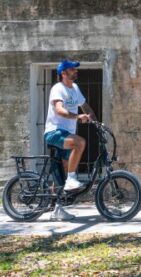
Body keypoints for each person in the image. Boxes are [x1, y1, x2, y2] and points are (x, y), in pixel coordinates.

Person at [43, 59, 97, 220]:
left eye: (75, 69)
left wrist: (95, 120)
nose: (76, 72)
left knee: (62, 172)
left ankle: (57, 208)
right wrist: (77, 116)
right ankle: (72, 179)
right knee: (80, 142)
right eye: (72, 70)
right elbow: (59, 110)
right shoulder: (58, 89)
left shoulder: (74, 88)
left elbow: (85, 106)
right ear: (63, 73)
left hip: (66, 134)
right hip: (54, 132)